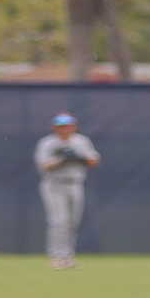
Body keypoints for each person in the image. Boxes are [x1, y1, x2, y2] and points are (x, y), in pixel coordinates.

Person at [34, 112, 100, 269]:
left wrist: (80, 157)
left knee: (73, 222)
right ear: (54, 128)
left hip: (75, 183)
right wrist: (60, 159)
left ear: (74, 126)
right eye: (60, 126)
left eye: (67, 126)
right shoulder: (48, 143)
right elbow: (43, 165)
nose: (64, 129)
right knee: (59, 221)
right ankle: (56, 256)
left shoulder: (81, 141)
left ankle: (67, 257)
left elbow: (94, 160)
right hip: (55, 184)